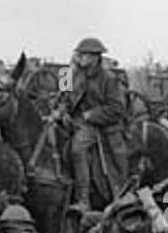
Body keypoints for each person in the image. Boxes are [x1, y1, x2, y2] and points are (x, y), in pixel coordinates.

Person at [55, 37, 129, 212]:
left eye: (84, 54)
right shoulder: (70, 74)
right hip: (74, 120)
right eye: (79, 54)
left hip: (95, 125)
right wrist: (61, 111)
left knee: (77, 148)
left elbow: (118, 108)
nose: (80, 57)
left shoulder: (109, 79)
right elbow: (63, 98)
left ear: (96, 57)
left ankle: (83, 199)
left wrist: (91, 115)